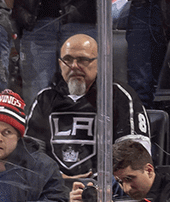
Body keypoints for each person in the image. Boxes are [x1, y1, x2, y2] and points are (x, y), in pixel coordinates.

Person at [25, 34, 151, 180]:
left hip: (106, 190)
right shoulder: (45, 98)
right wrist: (56, 178)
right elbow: (30, 153)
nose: (74, 66)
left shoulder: (120, 96)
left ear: (100, 63)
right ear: (60, 64)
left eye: (83, 60)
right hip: (55, 188)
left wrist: (98, 180)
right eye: (67, 60)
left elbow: (136, 157)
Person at [71, 139, 170, 202]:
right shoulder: (116, 194)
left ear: (149, 170)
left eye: (129, 179)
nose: (126, 189)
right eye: (119, 181)